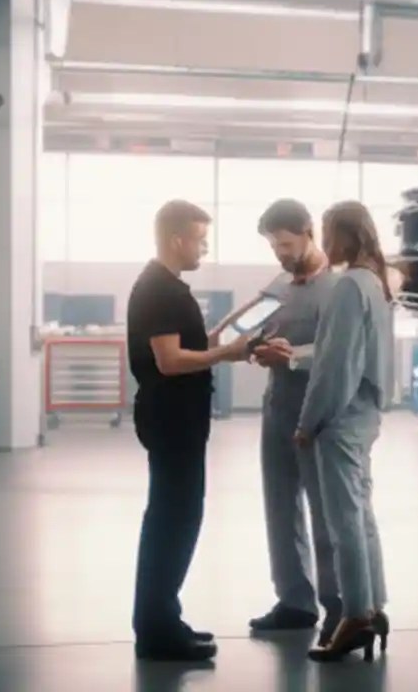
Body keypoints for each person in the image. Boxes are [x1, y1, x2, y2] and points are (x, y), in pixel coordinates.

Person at [126, 199, 252, 661]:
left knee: (173, 519)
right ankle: (158, 630)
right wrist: (228, 354)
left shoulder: (167, 286)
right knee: (172, 521)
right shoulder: (161, 289)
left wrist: (218, 336)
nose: (204, 247)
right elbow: (170, 360)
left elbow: (182, 346)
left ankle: (163, 619)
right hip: (171, 419)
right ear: (178, 240)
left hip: (175, 418)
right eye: (200, 238)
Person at [293, 201, 395, 663]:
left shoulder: (347, 287)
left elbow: (335, 367)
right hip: (367, 414)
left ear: (347, 237)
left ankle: (355, 615)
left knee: (343, 522)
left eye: (328, 233)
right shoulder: (375, 283)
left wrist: (308, 422)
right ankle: (374, 606)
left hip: (341, 418)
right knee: (362, 515)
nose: (324, 243)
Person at [240, 199, 344, 645]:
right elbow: (244, 331)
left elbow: (343, 353)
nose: (279, 253)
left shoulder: (340, 289)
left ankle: (338, 604)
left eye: (285, 244)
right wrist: (248, 346)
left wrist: (292, 356)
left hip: (319, 412)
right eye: (272, 246)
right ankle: (295, 602)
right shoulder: (278, 285)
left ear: (308, 234)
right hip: (278, 406)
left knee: (325, 513)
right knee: (280, 507)